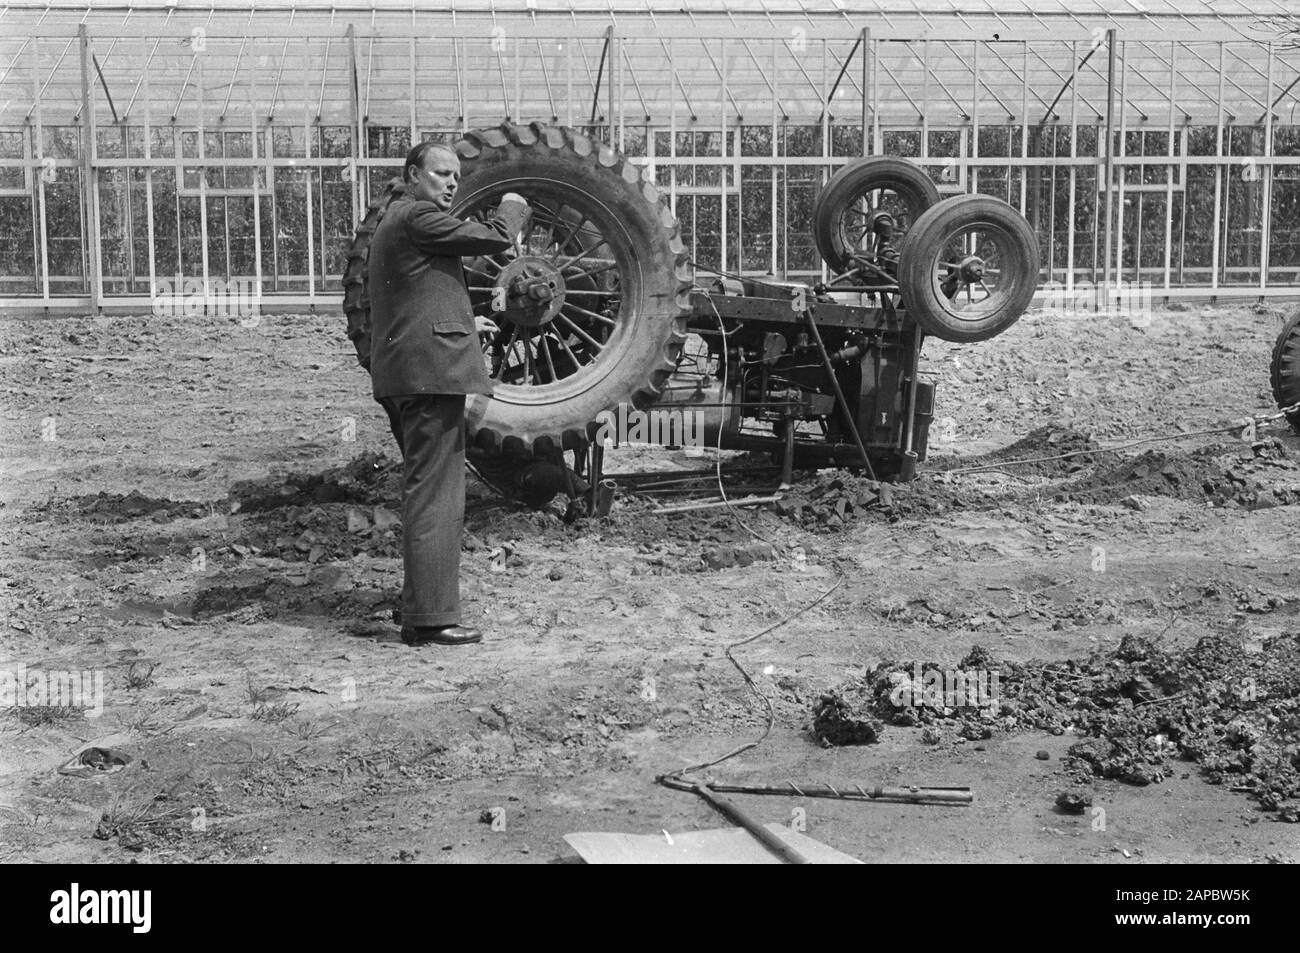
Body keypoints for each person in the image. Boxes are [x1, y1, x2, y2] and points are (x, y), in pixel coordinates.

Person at [366, 141, 529, 646]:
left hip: (412, 370)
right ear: (414, 174)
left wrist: (464, 319)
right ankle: (432, 619)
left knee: (427, 488)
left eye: (456, 175)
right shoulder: (418, 216)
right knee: (437, 495)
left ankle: (422, 608)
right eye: (441, 173)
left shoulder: (400, 222)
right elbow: (495, 237)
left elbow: (416, 293)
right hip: (429, 376)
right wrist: (514, 204)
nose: (452, 183)